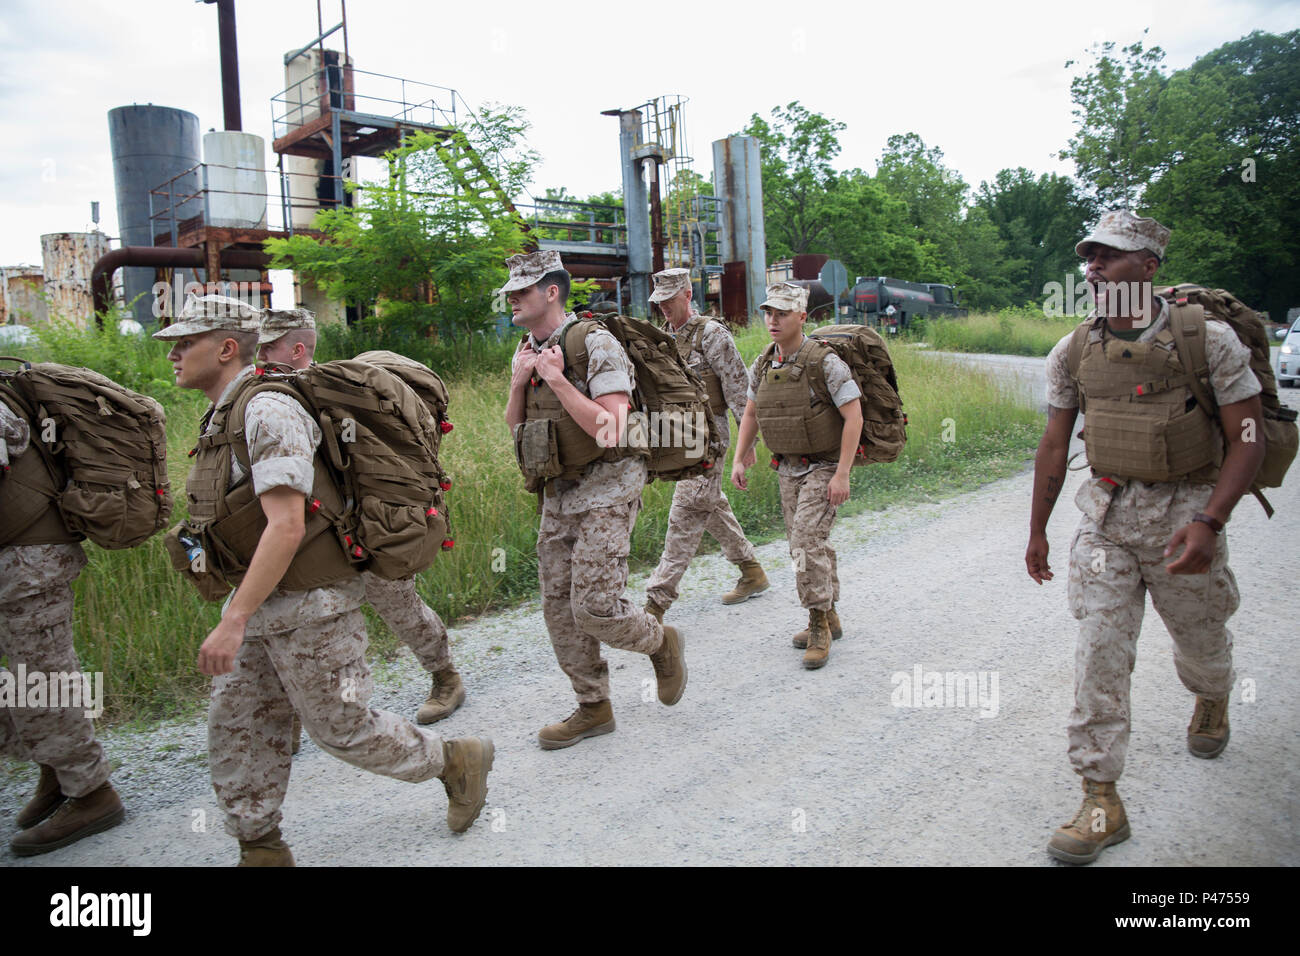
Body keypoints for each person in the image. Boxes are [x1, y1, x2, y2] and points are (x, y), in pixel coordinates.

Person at [157, 294, 492, 866]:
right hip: (261, 601)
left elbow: (287, 526)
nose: (174, 354)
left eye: (186, 343)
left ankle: (455, 760)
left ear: (227, 347)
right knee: (237, 728)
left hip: (312, 605)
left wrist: (232, 621)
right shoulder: (222, 415)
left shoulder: (266, 411)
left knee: (342, 727)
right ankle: (260, 846)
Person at [1025, 210, 1264, 865]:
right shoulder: (1074, 348)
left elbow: (1249, 437)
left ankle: (1213, 697)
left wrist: (1210, 522)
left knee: (1202, 641)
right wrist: (1038, 531)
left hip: (1187, 515)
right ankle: (1101, 797)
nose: (1094, 267)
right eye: (1090, 257)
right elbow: (1053, 444)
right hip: (1106, 518)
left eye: (1111, 255)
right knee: (1099, 652)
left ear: (1149, 266)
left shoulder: (1207, 341)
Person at [257, 308, 467, 751]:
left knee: (399, 605)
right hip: (313, 535)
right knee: (287, 620)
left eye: (266, 347)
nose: (257, 355)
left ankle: (445, 676)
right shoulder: (264, 398)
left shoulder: (332, 394)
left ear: (297, 350)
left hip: (365, 526)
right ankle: (296, 712)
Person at [503, 250, 685, 749]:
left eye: (523, 290)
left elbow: (613, 427)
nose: (512, 299)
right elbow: (516, 427)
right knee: (559, 607)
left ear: (552, 292)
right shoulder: (527, 347)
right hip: (559, 491)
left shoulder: (594, 343)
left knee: (597, 607)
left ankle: (660, 641)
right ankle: (593, 706)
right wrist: (522, 381)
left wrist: (558, 380)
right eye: (511, 291)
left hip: (609, 485)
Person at [1, 392, 124, 856]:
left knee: (43, 680)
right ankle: (55, 768)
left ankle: (91, 793)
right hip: (18, 562)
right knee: (29, 680)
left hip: (28, 568)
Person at [730, 283, 863, 669]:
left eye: (782, 313)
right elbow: (752, 413)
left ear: (802, 317)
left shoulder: (825, 362)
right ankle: (831, 612)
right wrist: (740, 458)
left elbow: (853, 417)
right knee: (806, 546)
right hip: (786, 468)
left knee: (804, 542)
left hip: (823, 466)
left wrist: (842, 474)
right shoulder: (763, 363)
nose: (773, 320)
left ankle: (818, 622)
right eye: (769, 312)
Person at [642, 268, 768, 623]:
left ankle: (656, 601)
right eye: (659, 301)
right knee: (708, 503)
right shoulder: (662, 337)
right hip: (678, 435)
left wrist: (747, 445)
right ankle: (751, 571)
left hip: (711, 434)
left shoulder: (712, 335)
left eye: (670, 299)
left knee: (687, 509)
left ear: (687, 294)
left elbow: (740, 391)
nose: (664, 307)